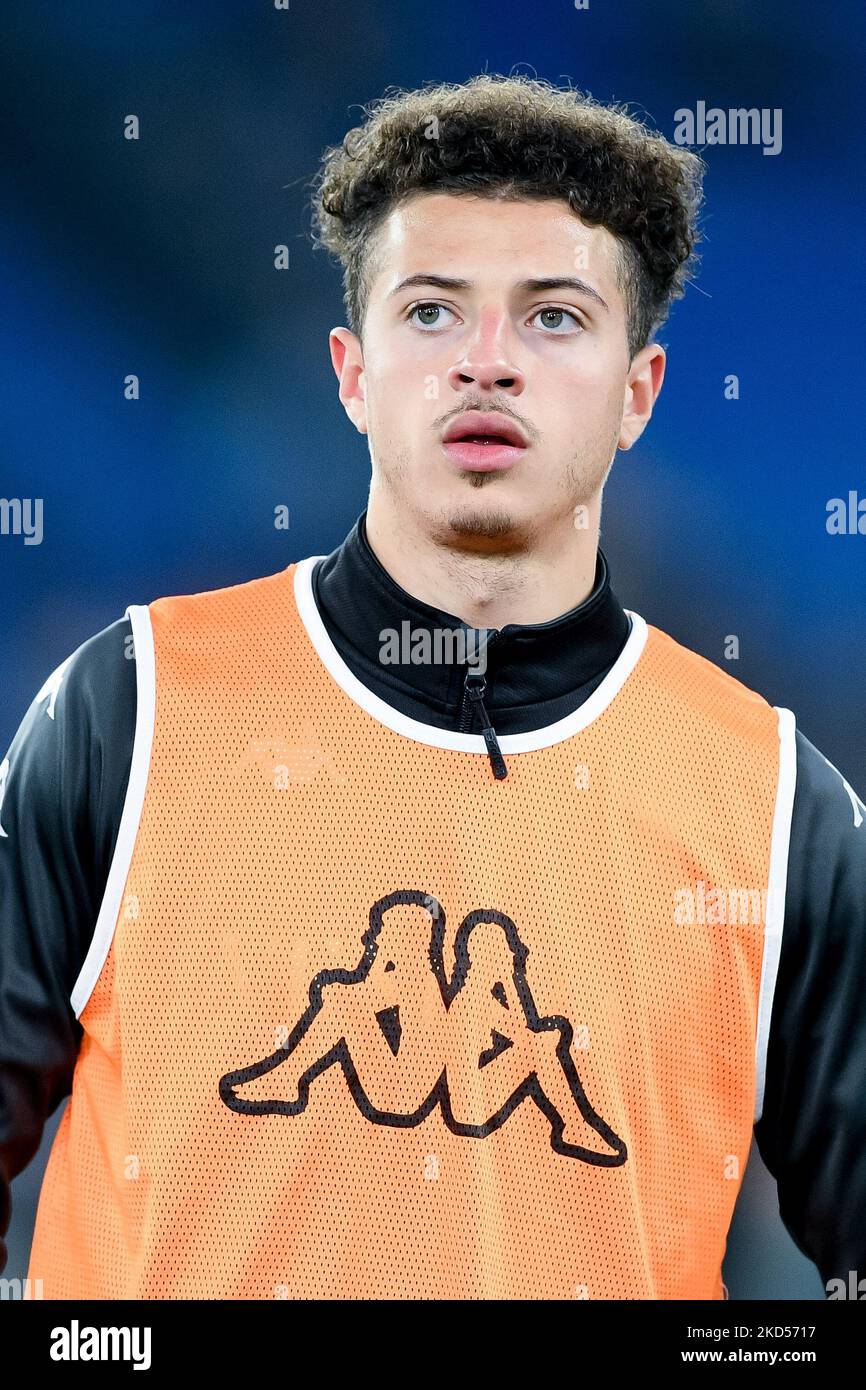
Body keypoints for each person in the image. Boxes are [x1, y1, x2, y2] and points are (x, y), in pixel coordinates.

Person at [1, 73, 864, 1300]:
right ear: (351, 373)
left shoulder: (777, 807)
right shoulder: (127, 711)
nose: (487, 365)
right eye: (431, 313)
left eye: (553, 318)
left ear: (638, 391)